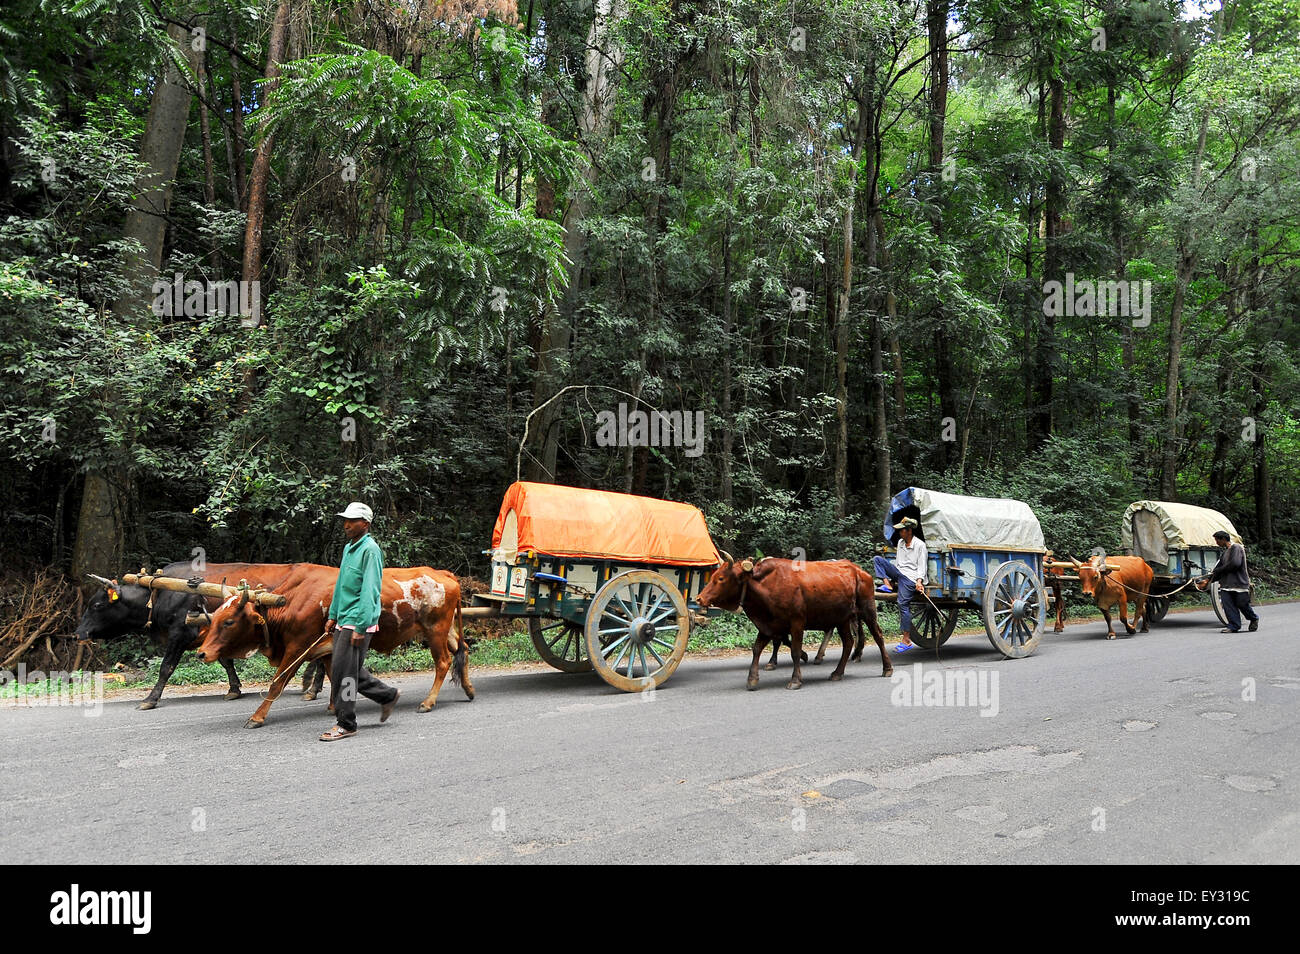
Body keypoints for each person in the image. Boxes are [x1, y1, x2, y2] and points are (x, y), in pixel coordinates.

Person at [319, 502, 400, 741]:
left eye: (352, 521)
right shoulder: (349, 548)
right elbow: (342, 584)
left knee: (343, 673)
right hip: (344, 617)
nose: (346, 525)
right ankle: (387, 695)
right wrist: (333, 615)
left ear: (365, 524)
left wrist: (361, 626)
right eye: (345, 520)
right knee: (349, 669)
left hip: (357, 620)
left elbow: (370, 591)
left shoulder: (370, 550)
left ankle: (346, 723)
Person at [874, 517, 928, 653]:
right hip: (899, 573)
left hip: (910, 578)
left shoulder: (920, 545)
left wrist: (919, 581)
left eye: (902, 531)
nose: (899, 533)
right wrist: (892, 579)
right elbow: (898, 563)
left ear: (909, 531)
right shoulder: (900, 543)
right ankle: (888, 585)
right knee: (877, 560)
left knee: (902, 604)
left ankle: (906, 640)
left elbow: (922, 566)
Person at [1196, 530, 1259, 634]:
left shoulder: (1237, 548)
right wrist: (1208, 581)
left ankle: (1253, 618)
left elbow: (1235, 564)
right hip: (1226, 585)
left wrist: (1219, 570)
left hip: (1239, 583)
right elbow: (1217, 570)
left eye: (1217, 540)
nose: (1216, 543)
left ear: (1223, 539)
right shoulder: (1224, 553)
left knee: (1242, 604)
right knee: (1228, 606)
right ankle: (1233, 626)